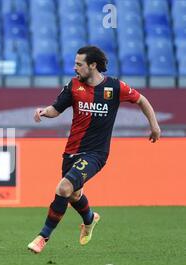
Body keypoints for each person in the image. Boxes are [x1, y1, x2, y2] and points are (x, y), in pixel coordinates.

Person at [27, 46, 161, 254]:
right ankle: (90, 219)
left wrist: (154, 125)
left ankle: (42, 237)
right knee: (73, 195)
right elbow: (56, 109)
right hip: (71, 151)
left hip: (96, 154)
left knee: (63, 188)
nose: (75, 68)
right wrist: (44, 112)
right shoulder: (73, 86)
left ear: (92, 65)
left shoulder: (115, 87)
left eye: (79, 64)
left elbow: (141, 100)